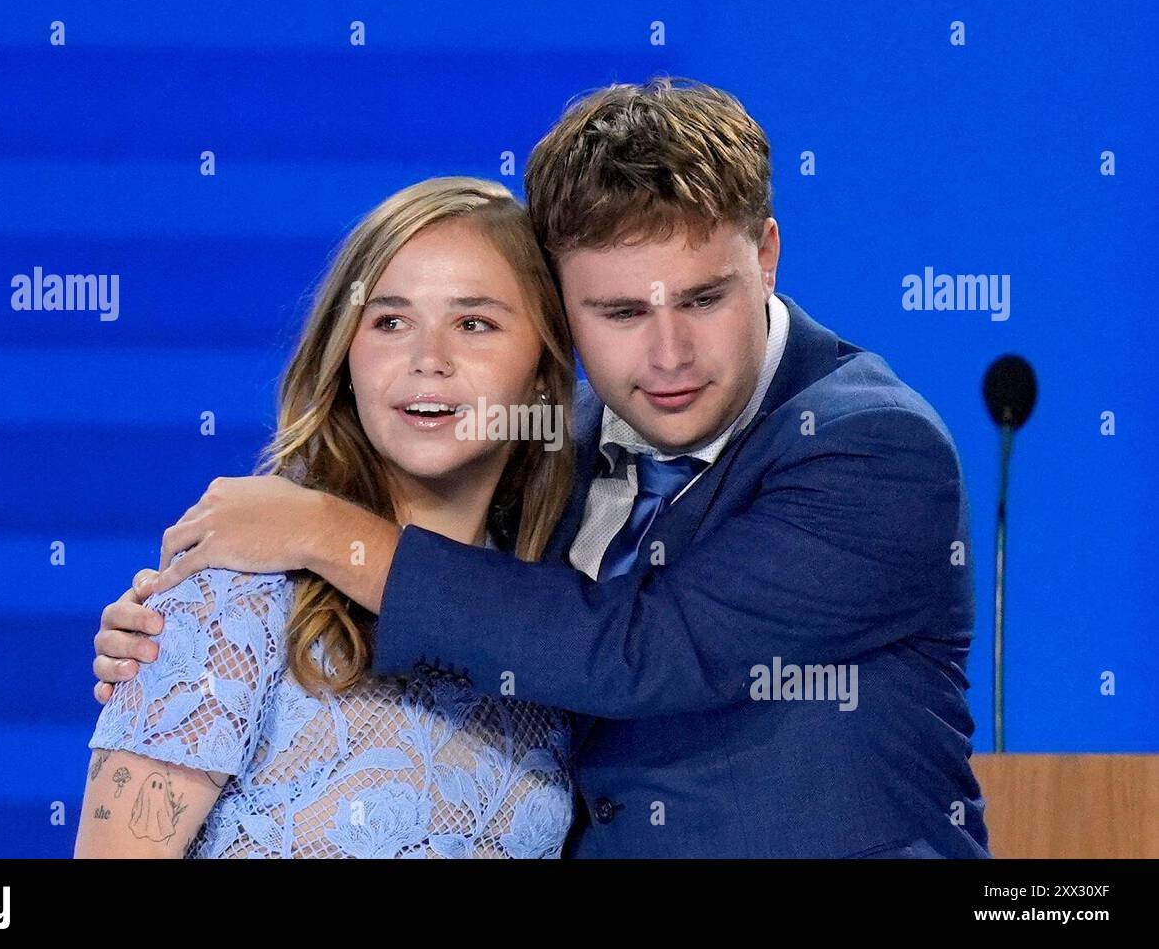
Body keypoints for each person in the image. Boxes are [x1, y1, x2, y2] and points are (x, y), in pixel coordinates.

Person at [93, 78, 990, 858]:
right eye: (620, 312)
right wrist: (177, 636)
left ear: (765, 257)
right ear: (564, 317)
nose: (669, 354)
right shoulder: (555, 457)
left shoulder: (873, 448)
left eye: (705, 299)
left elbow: (639, 652)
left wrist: (328, 532)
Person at [75, 177, 578, 858]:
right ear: (346, 358)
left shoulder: (554, 629)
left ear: (544, 373)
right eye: (390, 321)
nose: (429, 360)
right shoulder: (236, 588)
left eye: (475, 323)